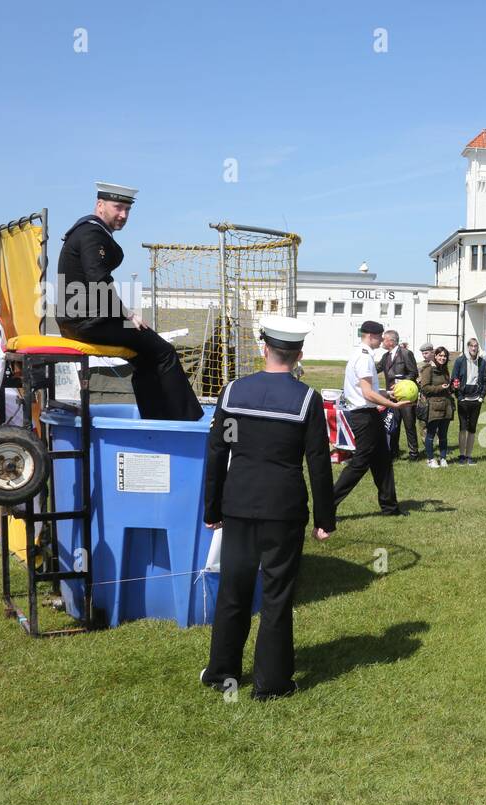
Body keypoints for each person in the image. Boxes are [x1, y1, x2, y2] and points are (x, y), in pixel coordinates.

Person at [201, 316, 335, 701]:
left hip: (238, 505)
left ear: (264, 349)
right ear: (299, 355)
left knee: (233, 590)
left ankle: (222, 673)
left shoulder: (232, 393)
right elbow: (318, 462)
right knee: (277, 595)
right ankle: (272, 683)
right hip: (284, 508)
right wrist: (325, 519)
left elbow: (218, 453)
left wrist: (212, 508)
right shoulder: (306, 399)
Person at [56, 182, 201, 420]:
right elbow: (98, 280)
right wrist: (127, 314)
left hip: (78, 319)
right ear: (100, 205)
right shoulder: (91, 233)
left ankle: (155, 418)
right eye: (118, 207)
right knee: (164, 352)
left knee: (144, 358)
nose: (123, 215)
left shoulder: (86, 230)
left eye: (128, 210)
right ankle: (187, 422)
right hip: (89, 322)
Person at [332, 320, 410, 515]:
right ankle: (328, 503)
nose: (383, 340)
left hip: (369, 414)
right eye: (380, 336)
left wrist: (388, 394)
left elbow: (369, 391)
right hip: (363, 416)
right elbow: (367, 394)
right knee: (359, 463)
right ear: (371, 336)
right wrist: (393, 405)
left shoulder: (361, 354)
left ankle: (390, 507)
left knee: (382, 460)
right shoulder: (364, 357)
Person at [376, 329, 419, 460]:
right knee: (393, 425)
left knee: (409, 425)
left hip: (405, 397)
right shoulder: (385, 356)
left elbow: (413, 373)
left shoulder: (406, 353)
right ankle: (393, 452)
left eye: (384, 339)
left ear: (391, 341)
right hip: (392, 397)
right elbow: (375, 369)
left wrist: (401, 384)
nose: (382, 341)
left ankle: (414, 453)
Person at [451, 337, 486, 465]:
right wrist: (459, 396)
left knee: (472, 429)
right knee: (463, 428)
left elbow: (485, 380)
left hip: (476, 400)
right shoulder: (460, 361)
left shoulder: (482, 362)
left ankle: (468, 456)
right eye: (472, 346)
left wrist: (481, 397)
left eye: (476, 346)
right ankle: (461, 455)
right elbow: (454, 379)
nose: (474, 348)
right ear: (468, 347)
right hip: (463, 399)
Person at [419, 345, 454, 467]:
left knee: (443, 434)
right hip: (433, 407)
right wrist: (440, 388)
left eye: (445, 356)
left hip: (446, 406)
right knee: (431, 434)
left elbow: (447, 388)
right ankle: (431, 459)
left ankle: (443, 459)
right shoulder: (428, 369)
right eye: (440, 355)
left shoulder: (445, 370)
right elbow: (424, 388)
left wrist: (453, 387)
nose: (442, 358)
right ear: (435, 356)